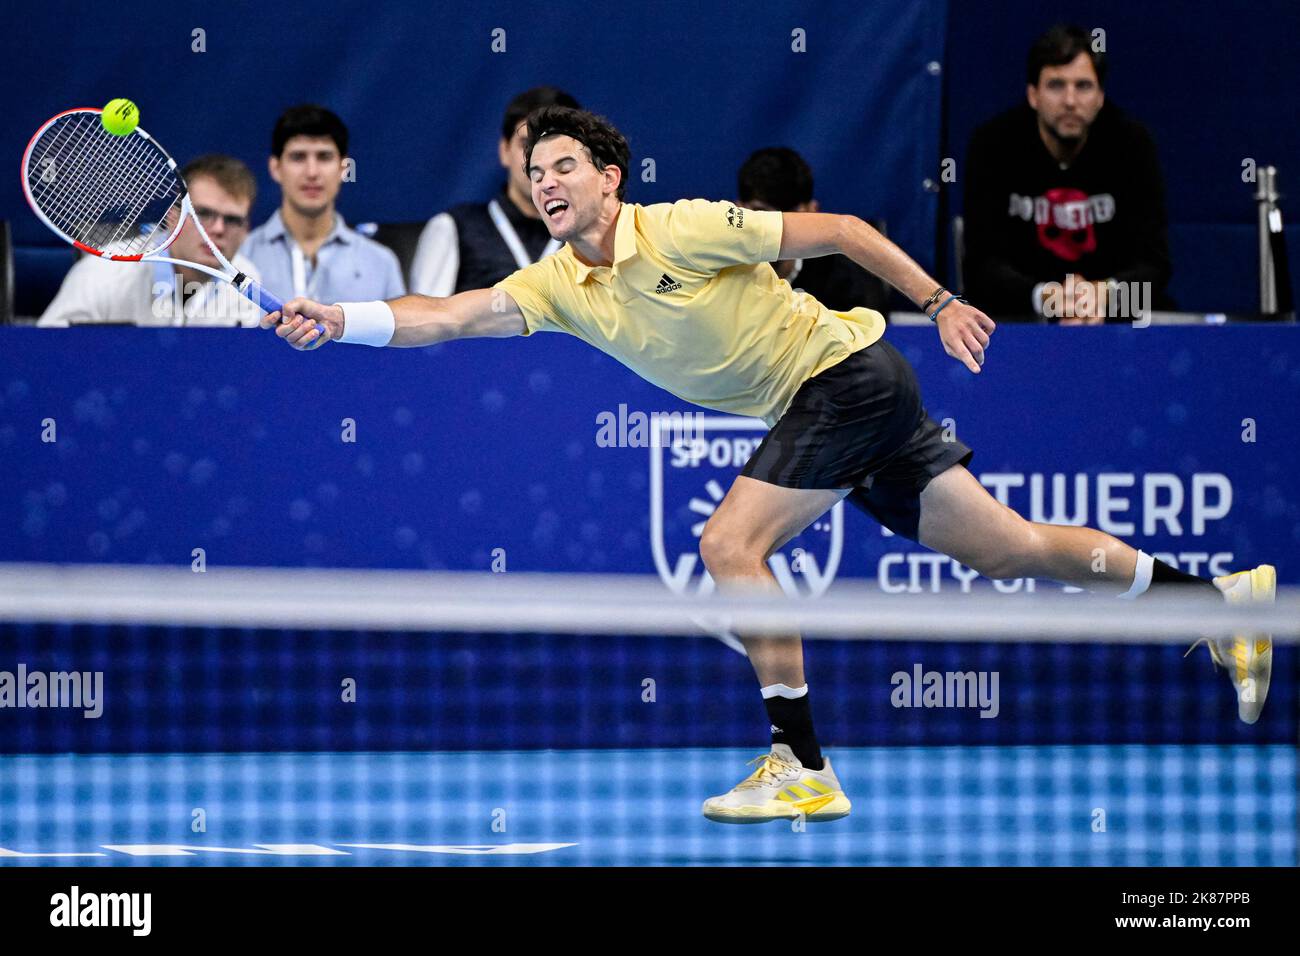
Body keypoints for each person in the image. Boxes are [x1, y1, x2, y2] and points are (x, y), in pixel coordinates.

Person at [264, 106, 1276, 823]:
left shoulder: (686, 226)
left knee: (725, 539)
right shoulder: (557, 283)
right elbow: (440, 315)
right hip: (844, 398)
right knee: (1010, 550)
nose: (546, 182)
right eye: (534, 173)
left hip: (845, 374)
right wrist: (336, 319)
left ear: (609, 177)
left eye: (563, 164)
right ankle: (1221, 599)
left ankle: (800, 763)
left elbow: (838, 229)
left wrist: (940, 299)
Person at [963, 24, 1173, 322]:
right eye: (1056, 85)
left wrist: (1104, 295)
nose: (1071, 101)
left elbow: (1156, 269)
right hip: (1020, 323)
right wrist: (1048, 298)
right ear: (1033, 95)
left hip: (1115, 321)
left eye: (1083, 86)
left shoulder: (1132, 145)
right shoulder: (993, 144)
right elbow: (980, 272)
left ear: (1100, 96)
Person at [39, 155, 263, 327]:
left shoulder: (248, 280)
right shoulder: (104, 273)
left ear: (246, 231)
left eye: (233, 220)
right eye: (202, 214)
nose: (218, 229)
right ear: (173, 217)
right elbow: (46, 354)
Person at [409, 86, 580, 296]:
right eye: (527, 145)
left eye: (556, 148)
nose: (539, 161)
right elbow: (427, 322)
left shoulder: (596, 236)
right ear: (504, 150)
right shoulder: (455, 228)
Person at [241, 105, 404, 305]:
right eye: (298, 157)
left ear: (344, 168)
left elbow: (398, 335)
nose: (312, 172)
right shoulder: (241, 256)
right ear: (275, 168)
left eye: (324, 157)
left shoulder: (381, 263)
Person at [737, 147, 888, 313]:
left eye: (790, 215)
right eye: (763, 213)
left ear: (812, 211)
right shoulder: (719, 268)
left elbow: (871, 333)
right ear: (738, 210)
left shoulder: (848, 281)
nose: (777, 227)